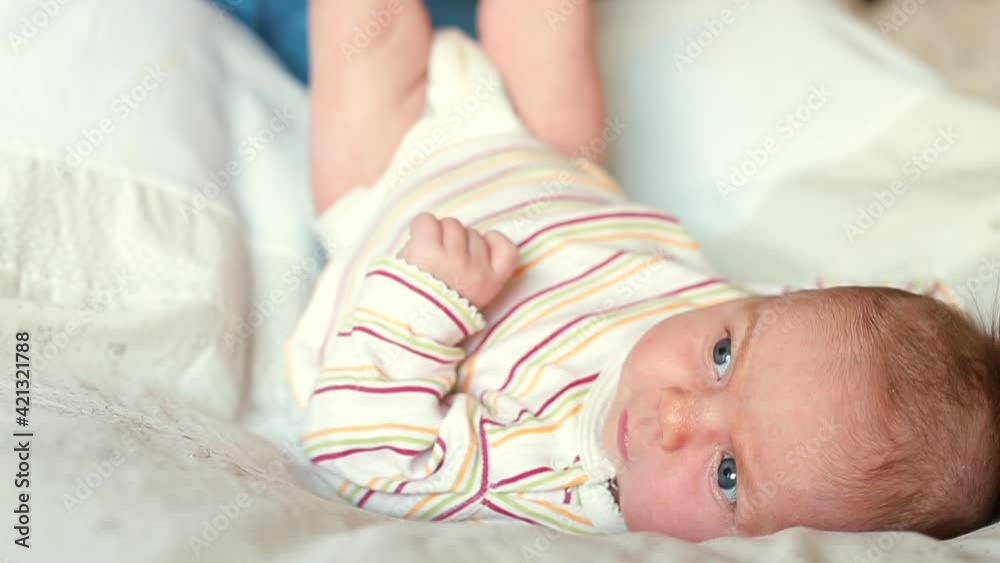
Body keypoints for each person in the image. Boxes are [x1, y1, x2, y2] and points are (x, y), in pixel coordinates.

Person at [287, 0, 1000, 540]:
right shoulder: (786, 343)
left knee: (364, 34)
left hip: (390, 190)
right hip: (552, 153)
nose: (675, 412)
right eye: (721, 356)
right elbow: (851, 331)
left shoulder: (552, 483)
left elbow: (367, 454)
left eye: (727, 474)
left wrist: (427, 298)